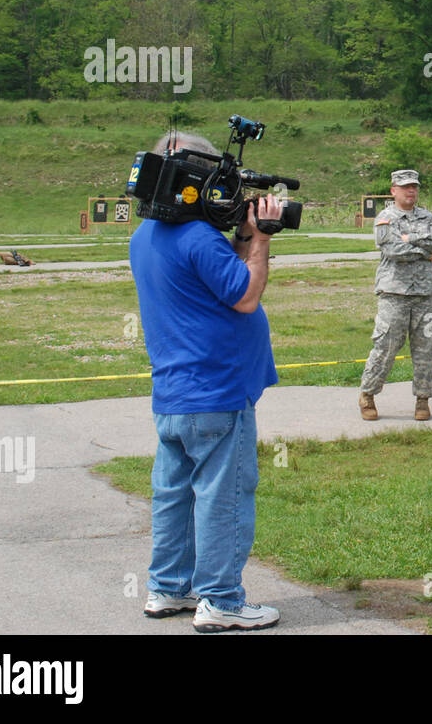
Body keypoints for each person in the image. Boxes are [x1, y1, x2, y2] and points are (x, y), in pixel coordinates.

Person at [129, 131, 283, 632]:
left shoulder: (146, 237)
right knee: (225, 494)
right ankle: (221, 600)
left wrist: (240, 236)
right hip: (216, 393)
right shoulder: (197, 239)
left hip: (174, 395)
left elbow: (211, 280)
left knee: (174, 493)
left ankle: (168, 589)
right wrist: (258, 239)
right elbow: (243, 294)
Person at [358, 169, 432, 422]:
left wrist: (413, 238)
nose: (411, 191)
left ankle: (422, 399)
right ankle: (368, 395)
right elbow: (394, 249)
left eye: (415, 186)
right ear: (393, 190)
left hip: (425, 294)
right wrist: (423, 250)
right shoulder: (385, 218)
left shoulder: (429, 217)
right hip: (394, 293)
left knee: (426, 348)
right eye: (406, 186)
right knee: (386, 346)